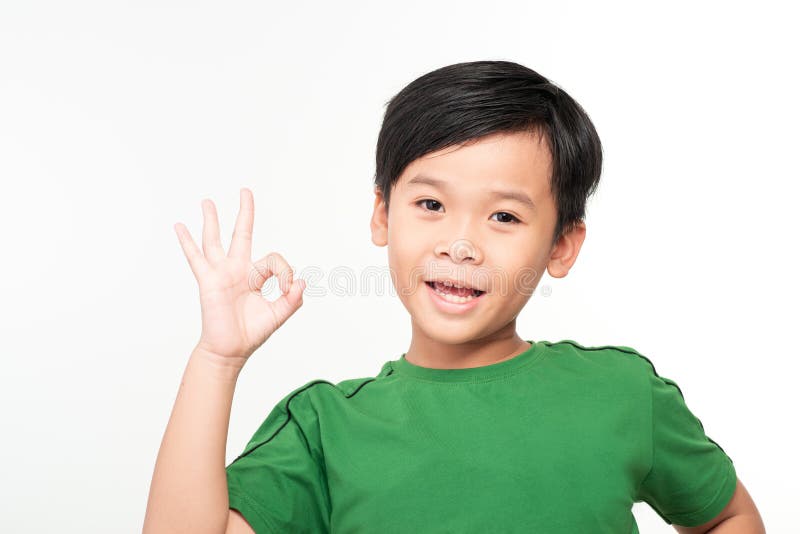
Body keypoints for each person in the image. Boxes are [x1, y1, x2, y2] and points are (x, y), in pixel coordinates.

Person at [143, 60, 765, 533]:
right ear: (383, 214)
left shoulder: (623, 393)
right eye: (432, 205)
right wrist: (216, 360)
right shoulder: (324, 430)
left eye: (504, 217)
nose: (460, 245)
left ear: (562, 246)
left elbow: (726, 516)